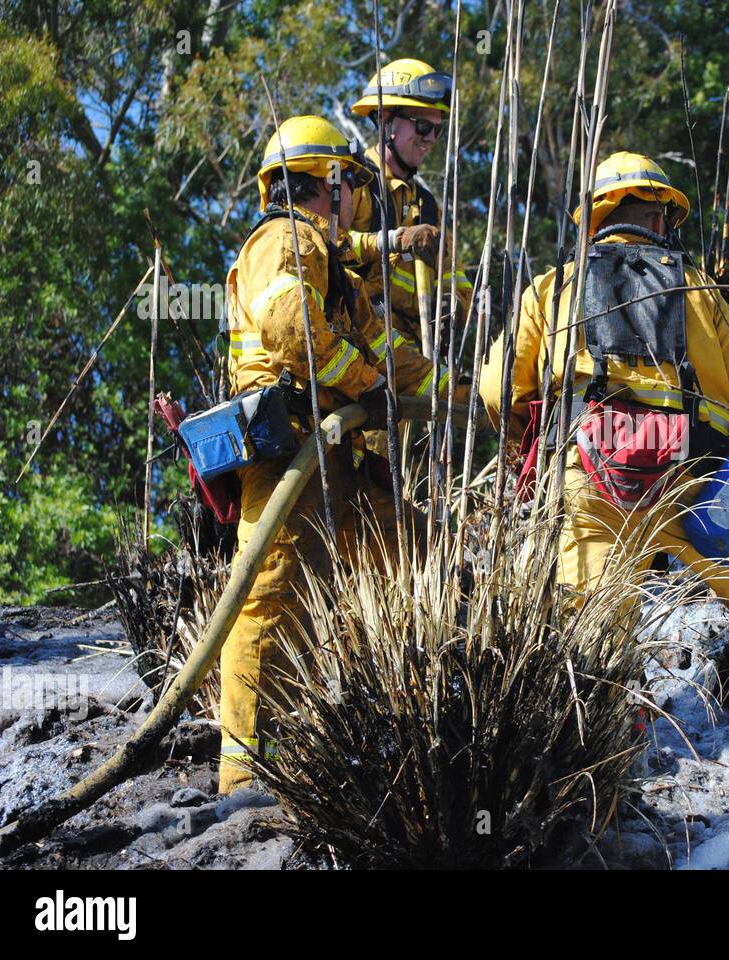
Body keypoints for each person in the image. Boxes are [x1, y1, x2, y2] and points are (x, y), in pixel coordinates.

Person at [479, 151, 729, 756]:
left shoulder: (553, 288)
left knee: (594, 623)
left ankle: (611, 761)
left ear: (596, 218)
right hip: (701, 476)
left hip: (593, 476)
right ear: (661, 218)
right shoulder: (698, 290)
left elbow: (495, 389)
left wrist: (522, 445)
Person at [219, 115, 449, 793]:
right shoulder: (285, 239)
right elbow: (293, 330)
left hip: (332, 455)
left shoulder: (332, 263)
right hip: (289, 450)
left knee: (410, 551)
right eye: (350, 180)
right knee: (270, 594)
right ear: (329, 181)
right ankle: (245, 769)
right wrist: (367, 385)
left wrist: (464, 395)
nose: (358, 195)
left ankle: (382, 724)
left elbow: (387, 351)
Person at [346, 57, 473, 348]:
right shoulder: (354, 183)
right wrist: (393, 240)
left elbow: (457, 278)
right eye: (421, 126)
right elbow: (327, 248)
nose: (429, 139)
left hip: (415, 356)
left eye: (437, 130)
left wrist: (452, 307)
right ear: (385, 119)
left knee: (472, 394)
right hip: (362, 348)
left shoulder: (427, 206)